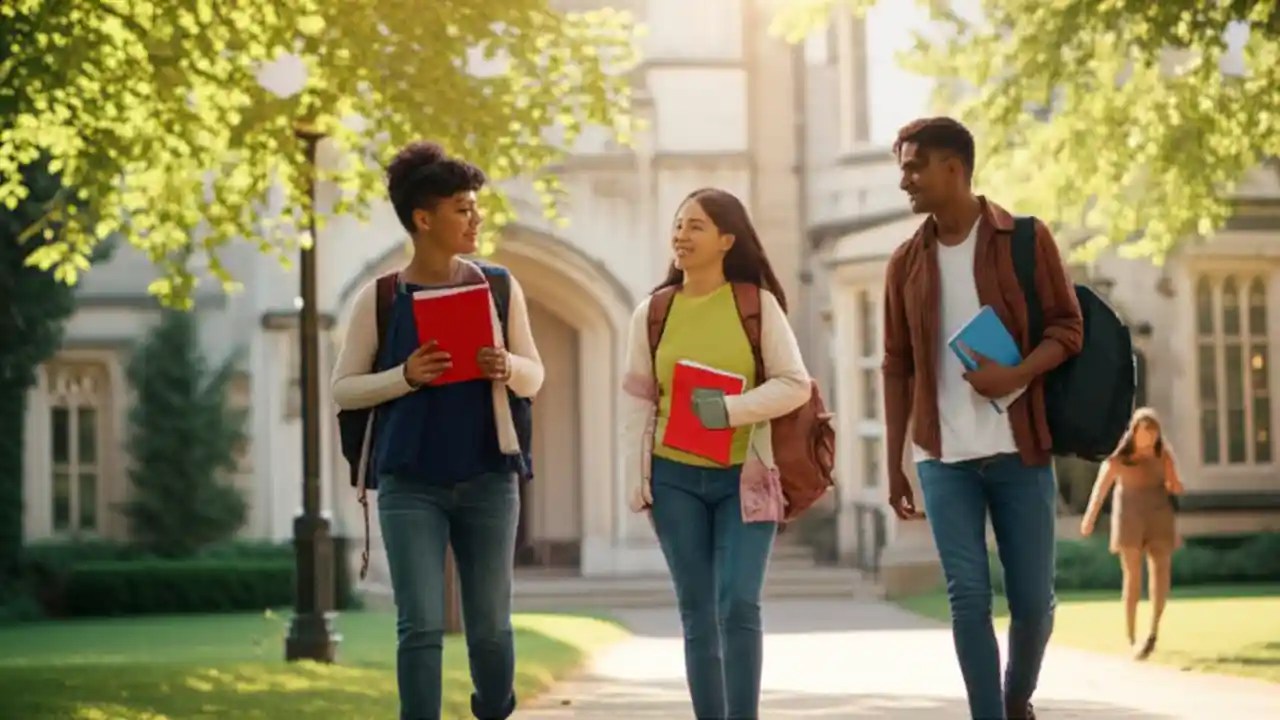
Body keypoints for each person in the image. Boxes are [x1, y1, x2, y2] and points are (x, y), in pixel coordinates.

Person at [330, 141, 543, 720]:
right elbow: (344, 388)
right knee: (419, 625)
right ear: (423, 219)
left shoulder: (499, 286)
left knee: (491, 630)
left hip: (488, 478)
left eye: (475, 207)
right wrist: (405, 375)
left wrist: (508, 366)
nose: (476, 219)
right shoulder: (379, 299)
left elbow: (535, 375)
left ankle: (493, 708)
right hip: (409, 485)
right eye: (462, 208)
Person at [881, 117, 1084, 720]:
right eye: (902, 168)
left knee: (1033, 605)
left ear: (954, 168)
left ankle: (1015, 697)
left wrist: (1015, 375)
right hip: (942, 457)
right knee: (967, 597)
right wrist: (897, 461)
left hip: (1019, 449)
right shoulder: (904, 263)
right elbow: (896, 367)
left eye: (915, 167)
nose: (905, 181)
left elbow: (1067, 329)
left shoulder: (1024, 238)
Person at [621, 188, 810, 720]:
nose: (681, 234)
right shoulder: (653, 313)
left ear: (727, 239)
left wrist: (729, 411)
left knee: (737, 602)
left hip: (744, 477)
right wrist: (635, 478)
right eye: (679, 224)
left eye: (696, 226)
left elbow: (795, 384)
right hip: (673, 476)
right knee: (697, 611)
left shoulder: (756, 304)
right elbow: (637, 402)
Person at [1080, 407, 1184, 660]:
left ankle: (1153, 632)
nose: (1149, 437)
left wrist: (1175, 484)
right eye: (1144, 431)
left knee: (1161, 572)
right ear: (1134, 433)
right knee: (1133, 576)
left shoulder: (1163, 455)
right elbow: (1101, 489)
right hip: (1129, 517)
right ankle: (1131, 636)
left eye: (1153, 432)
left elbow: (1175, 485)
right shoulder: (1118, 458)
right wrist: (1089, 518)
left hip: (1159, 515)